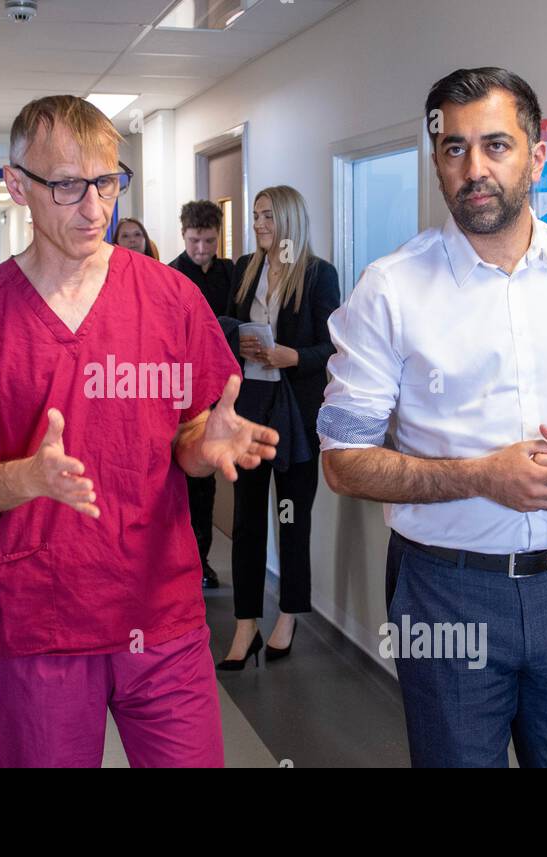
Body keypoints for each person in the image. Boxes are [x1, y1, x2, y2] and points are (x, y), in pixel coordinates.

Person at [320, 67, 547, 767]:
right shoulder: (389, 290)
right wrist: (480, 476)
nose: (475, 168)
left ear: (534, 155)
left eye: (496, 145)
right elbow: (344, 462)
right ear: (436, 162)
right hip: (444, 594)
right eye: (453, 148)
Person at [0, 94, 279, 767]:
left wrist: (203, 447)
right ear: (16, 185)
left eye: (107, 183)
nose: (93, 208)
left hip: (162, 614)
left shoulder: (172, 299)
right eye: (66, 185)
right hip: (40, 619)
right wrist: (26, 477)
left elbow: (187, 433)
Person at [218, 186, 339, 669]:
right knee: (247, 520)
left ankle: (288, 614)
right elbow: (224, 324)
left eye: (267, 216)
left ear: (289, 219)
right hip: (251, 403)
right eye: (254, 216)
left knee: (291, 517)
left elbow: (333, 346)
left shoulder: (317, 274)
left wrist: (294, 357)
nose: (259, 224)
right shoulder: (247, 268)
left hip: (295, 411)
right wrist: (238, 341)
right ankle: (246, 623)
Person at [169, 200, 236, 589]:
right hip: (186, 392)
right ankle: (182, 561)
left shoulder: (231, 274)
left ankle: (203, 559)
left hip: (224, 391)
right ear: (184, 235)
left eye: (209, 241)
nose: (201, 249)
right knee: (186, 479)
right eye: (195, 241)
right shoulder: (173, 276)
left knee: (208, 481)